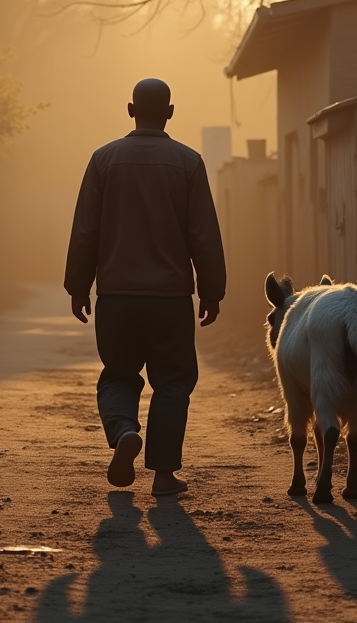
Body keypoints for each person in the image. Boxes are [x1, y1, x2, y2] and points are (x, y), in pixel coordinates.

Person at [64, 78, 226, 497]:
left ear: (130, 110)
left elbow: (86, 230)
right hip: (170, 299)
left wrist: (78, 286)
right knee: (173, 380)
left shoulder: (104, 160)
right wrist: (212, 291)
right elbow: (203, 234)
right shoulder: (188, 162)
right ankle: (164, 475)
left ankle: (123, 434)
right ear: (170, 112)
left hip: (116, 296)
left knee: (118, 374)